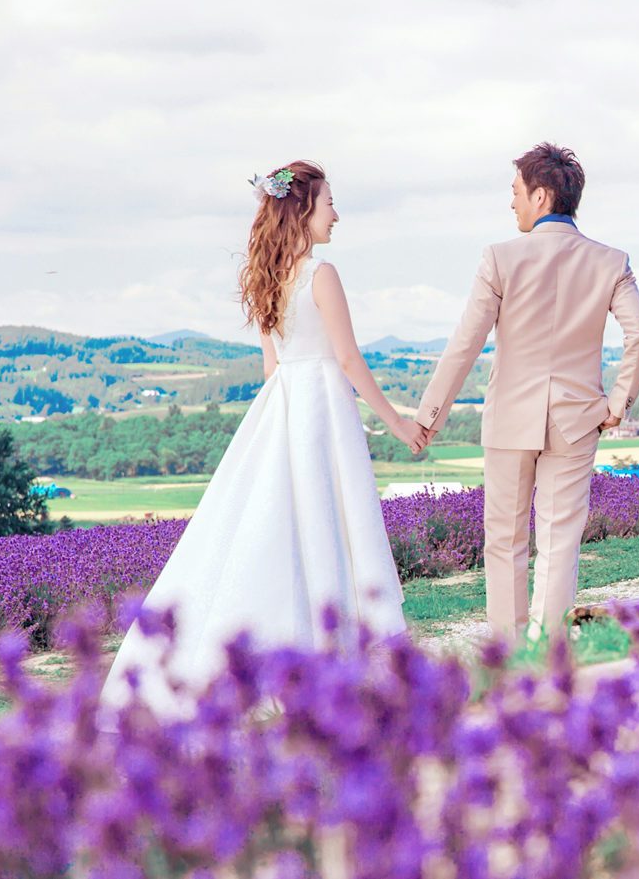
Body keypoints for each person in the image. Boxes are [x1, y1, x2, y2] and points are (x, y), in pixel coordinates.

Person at [101, 160, 422, 719]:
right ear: (304, 209)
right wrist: (399, 423)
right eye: (329, 205)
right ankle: (336, 653)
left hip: (283, 409)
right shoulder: (321, 275)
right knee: (331, 524)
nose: (336, 216)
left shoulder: (268, 276)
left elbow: (272, 370)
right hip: (321, 410)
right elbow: (346, 358)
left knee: (281, 525)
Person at [414, 143, 639, 647]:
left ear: (541, 195)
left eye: (517, 193)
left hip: (509, 419)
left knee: (504, 541)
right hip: (578, 418)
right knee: (559, 540)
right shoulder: (610, 261)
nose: (512, 204)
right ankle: (548, 651)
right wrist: (618, 402)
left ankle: (509, 652)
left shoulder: (499, 258)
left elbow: (466, 343)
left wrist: (431, 414)